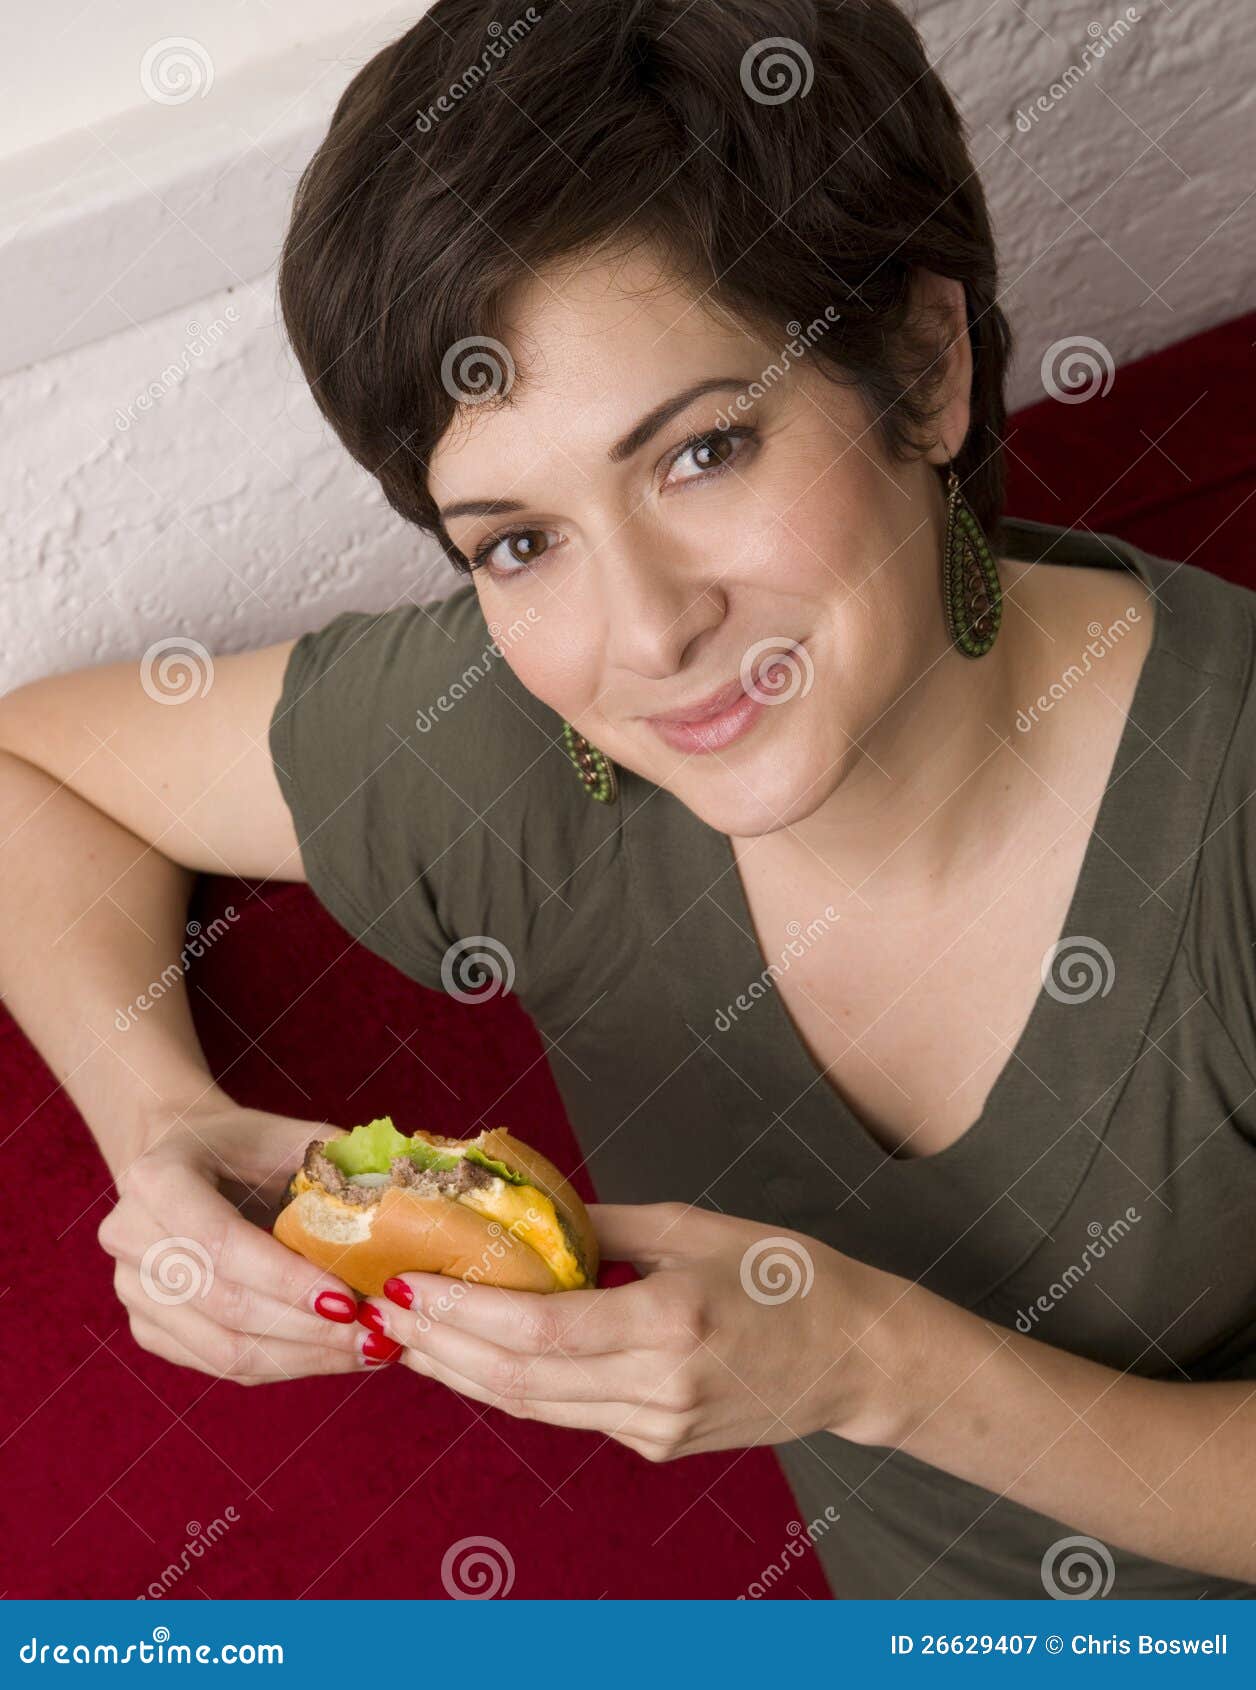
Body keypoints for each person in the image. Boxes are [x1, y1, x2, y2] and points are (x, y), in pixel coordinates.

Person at [2, 0, 1254, 1600]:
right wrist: (163, 1127)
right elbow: (28, 770)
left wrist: (867, 1361)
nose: (647, 633)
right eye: (519, 540)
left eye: (706, 449)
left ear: (925, 369)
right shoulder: (520, 752)